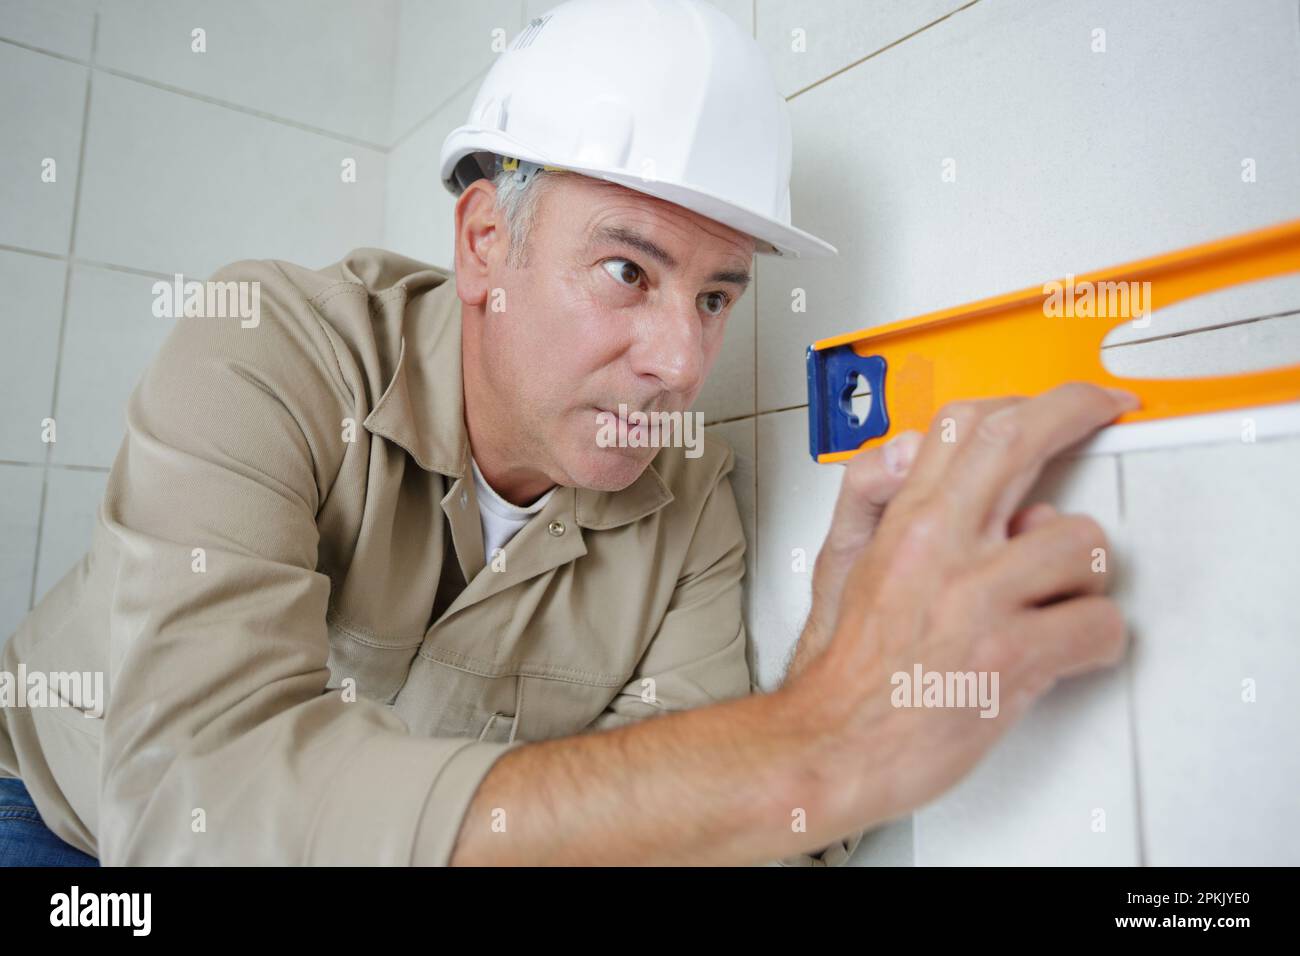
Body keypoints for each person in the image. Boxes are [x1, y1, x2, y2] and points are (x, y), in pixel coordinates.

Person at [0, 0, 1135, 866]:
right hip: (57, 816)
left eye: (714, 297)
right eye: (626, 269)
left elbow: (703, 830)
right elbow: (193, 796)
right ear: (487, 242)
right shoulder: (265, 354)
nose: (682, 361)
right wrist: (815, 732)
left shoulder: (689, 502)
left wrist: (824, 661)